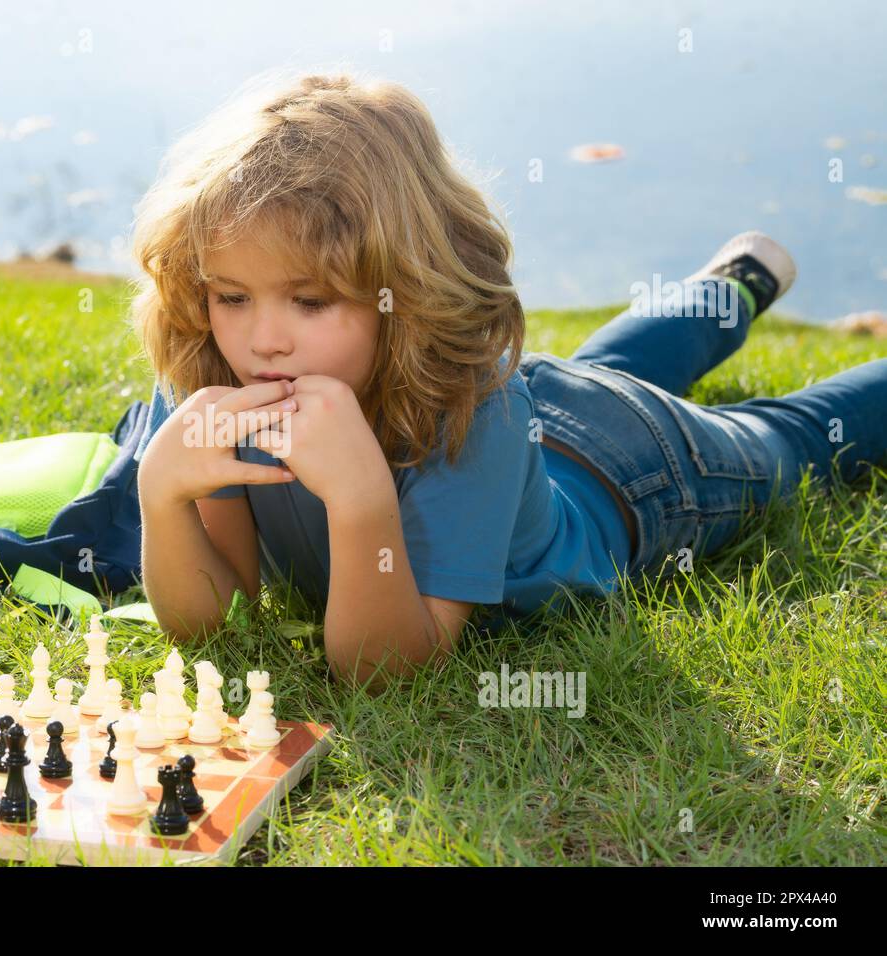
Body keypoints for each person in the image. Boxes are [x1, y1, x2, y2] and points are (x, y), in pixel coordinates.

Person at [129, 70, 887, 684]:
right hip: (546, 413)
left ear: (408, 292)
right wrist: (162, 499)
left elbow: (385, 669)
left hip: (631, 469)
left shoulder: (474, 412)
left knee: (784, 440)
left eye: (311, 300)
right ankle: (738, 281)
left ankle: (737, 293)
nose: (263, 341)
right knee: (605, 368)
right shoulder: (220, 381)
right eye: (232, 296)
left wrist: (361, 502)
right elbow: (222, 622)